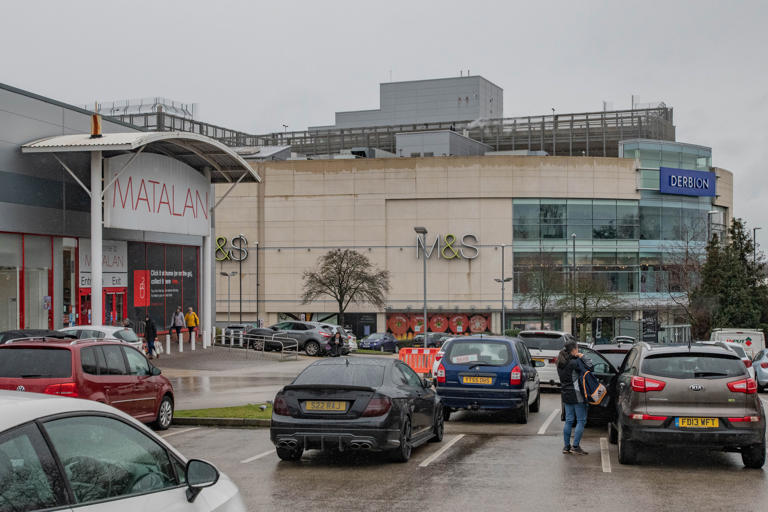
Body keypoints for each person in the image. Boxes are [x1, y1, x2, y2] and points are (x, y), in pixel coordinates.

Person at [556, 340, 589, 455]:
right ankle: (575, 446)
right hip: (577, 393)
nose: (578, 351)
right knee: (581, 420)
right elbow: (590, 367)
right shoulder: (575, 362)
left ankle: (566, 447)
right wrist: (583, 357)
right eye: (577, 349)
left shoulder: (560, 362)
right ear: (574, 350)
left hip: (566, 393)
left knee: (569, 420)